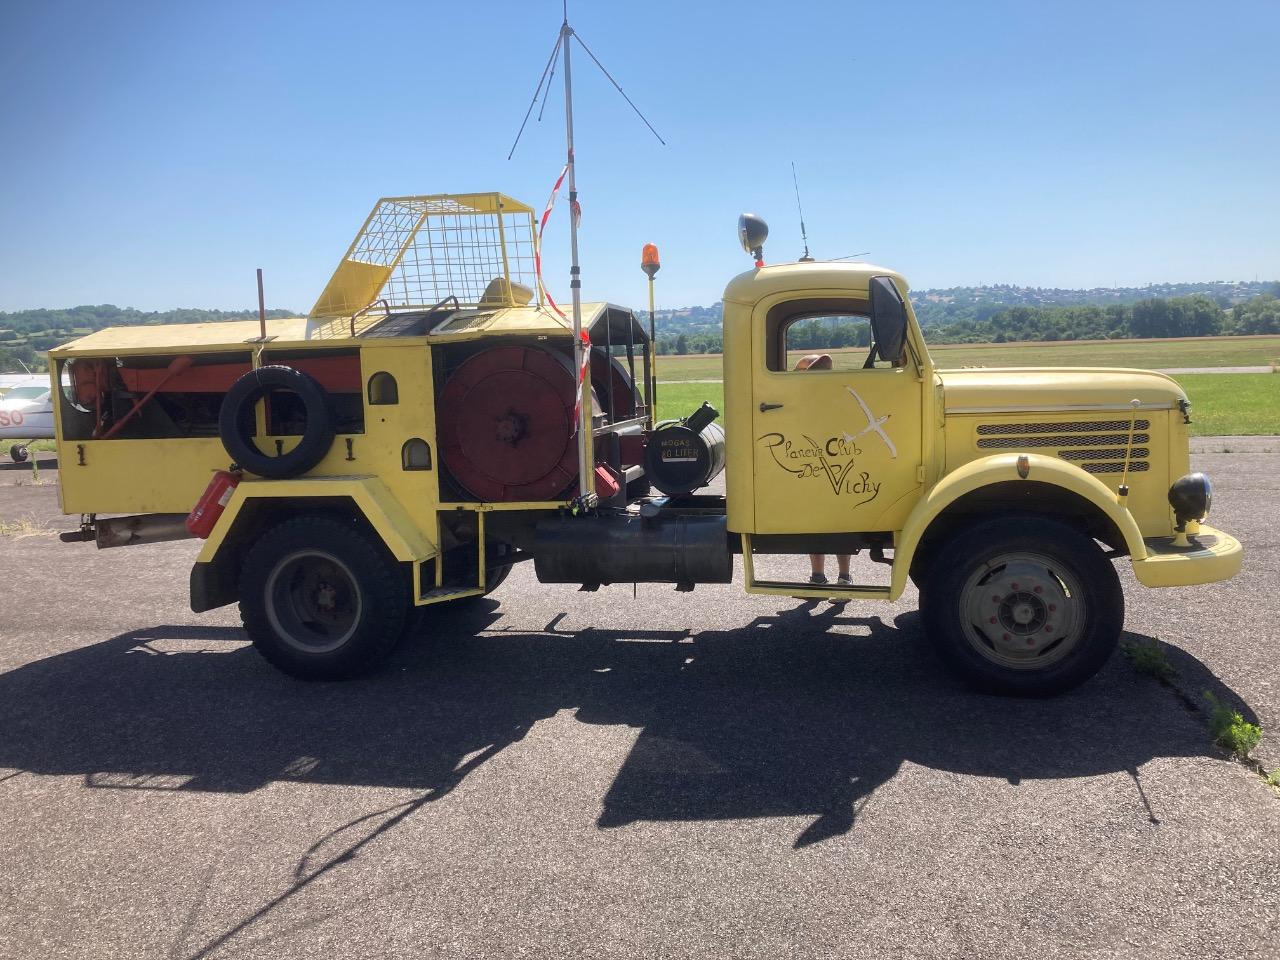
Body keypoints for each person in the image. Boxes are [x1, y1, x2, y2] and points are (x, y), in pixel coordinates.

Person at [793, 353, 853, 586]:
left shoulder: (832, 396)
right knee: (816, 525)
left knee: (837, 524)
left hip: (834, 468)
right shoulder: (806, 399)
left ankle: (843, 577)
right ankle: (820, 577)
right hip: (814, 468)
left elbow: (826, 359)